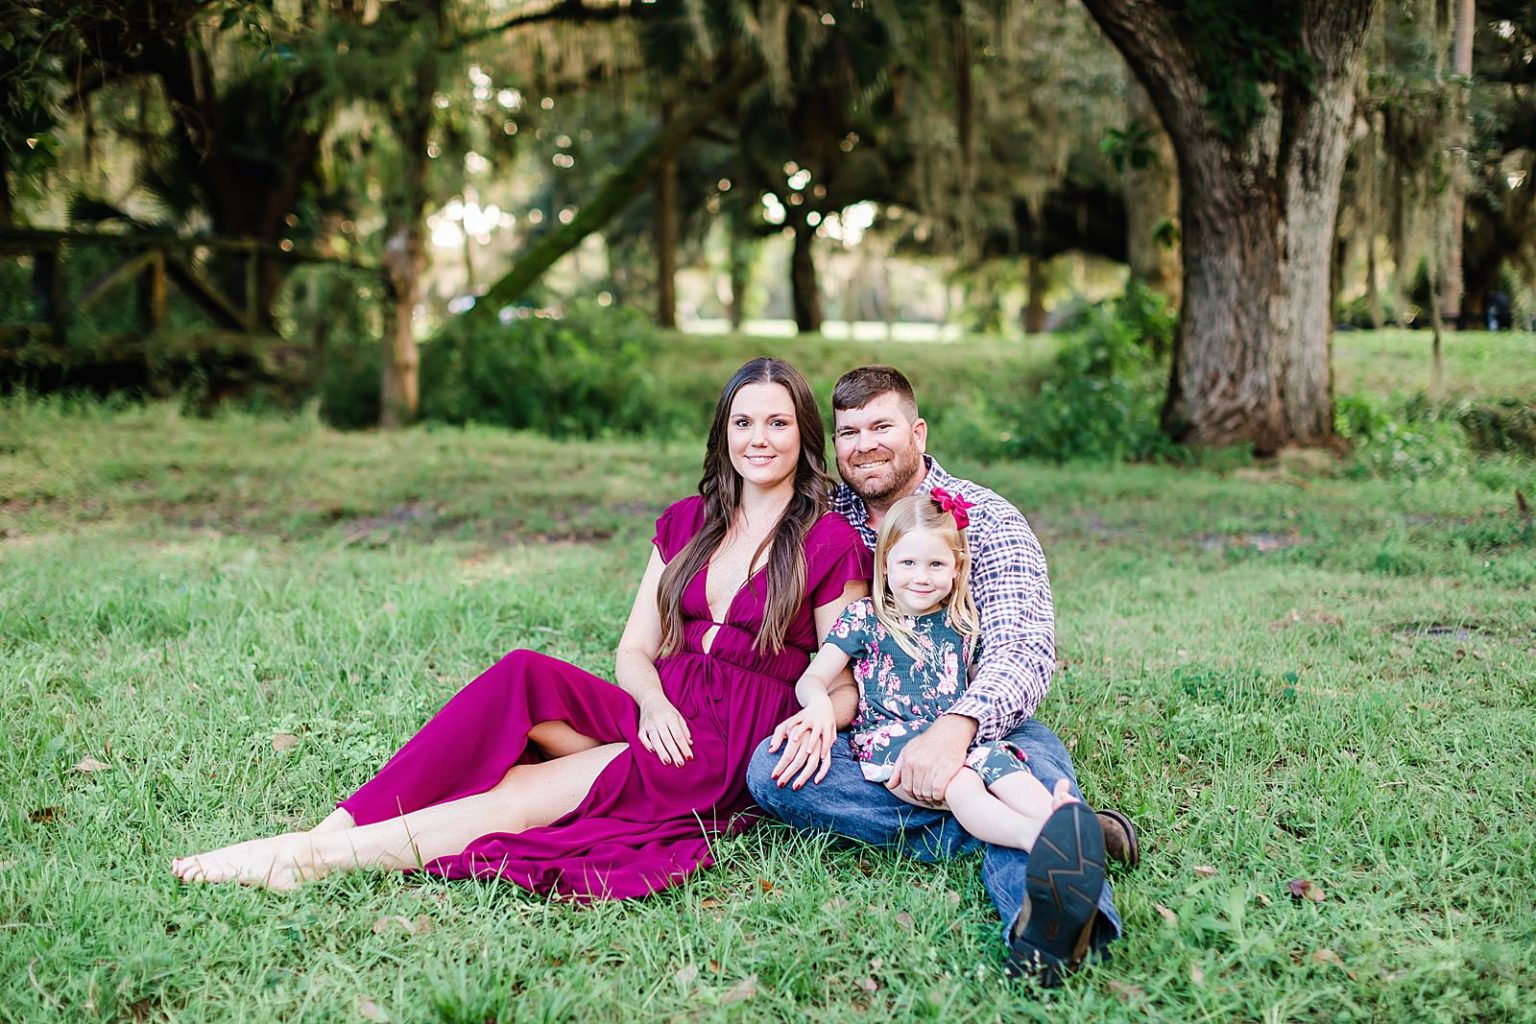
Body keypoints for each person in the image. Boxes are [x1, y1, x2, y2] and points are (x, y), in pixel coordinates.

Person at [172, 358, 871, 899]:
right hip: (661, 712)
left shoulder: (829, 539)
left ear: (802, 434)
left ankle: (309, 860)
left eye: (777, 423)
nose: (759, 439)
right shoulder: (688, 522)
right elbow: (634, 649)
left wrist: (816, 717)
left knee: (518, 798)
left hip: (723, 743)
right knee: (520, 675)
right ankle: (327, 830)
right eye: (744, 421)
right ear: (724, 430)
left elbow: (845, 685)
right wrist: (652, 702)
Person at [746, 365, 1137, 985]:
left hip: (981, 723)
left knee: (1024, 764)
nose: (865, 444)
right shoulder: (821, 516)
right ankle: (1066, 836)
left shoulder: (988, 520)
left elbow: (1023, 651)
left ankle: (1050, 930)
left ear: (919, 432)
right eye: (849, 432)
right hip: (872, 726)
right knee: (772, 773)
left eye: (882, 426)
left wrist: (955, 731)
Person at [784, 490, 1081, 853]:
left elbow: (973, 682)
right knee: (963, 785)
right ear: (885, 565)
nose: (921, 577)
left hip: (950, 740)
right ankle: (1033, 838)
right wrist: (817, 705)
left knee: (1005, 766)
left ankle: (1059, 820)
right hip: (893, 743)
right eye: (908, 563)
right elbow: (813, 678)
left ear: (957, 569)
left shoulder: (961, 622)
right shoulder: (865, 618)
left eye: (936, 565)